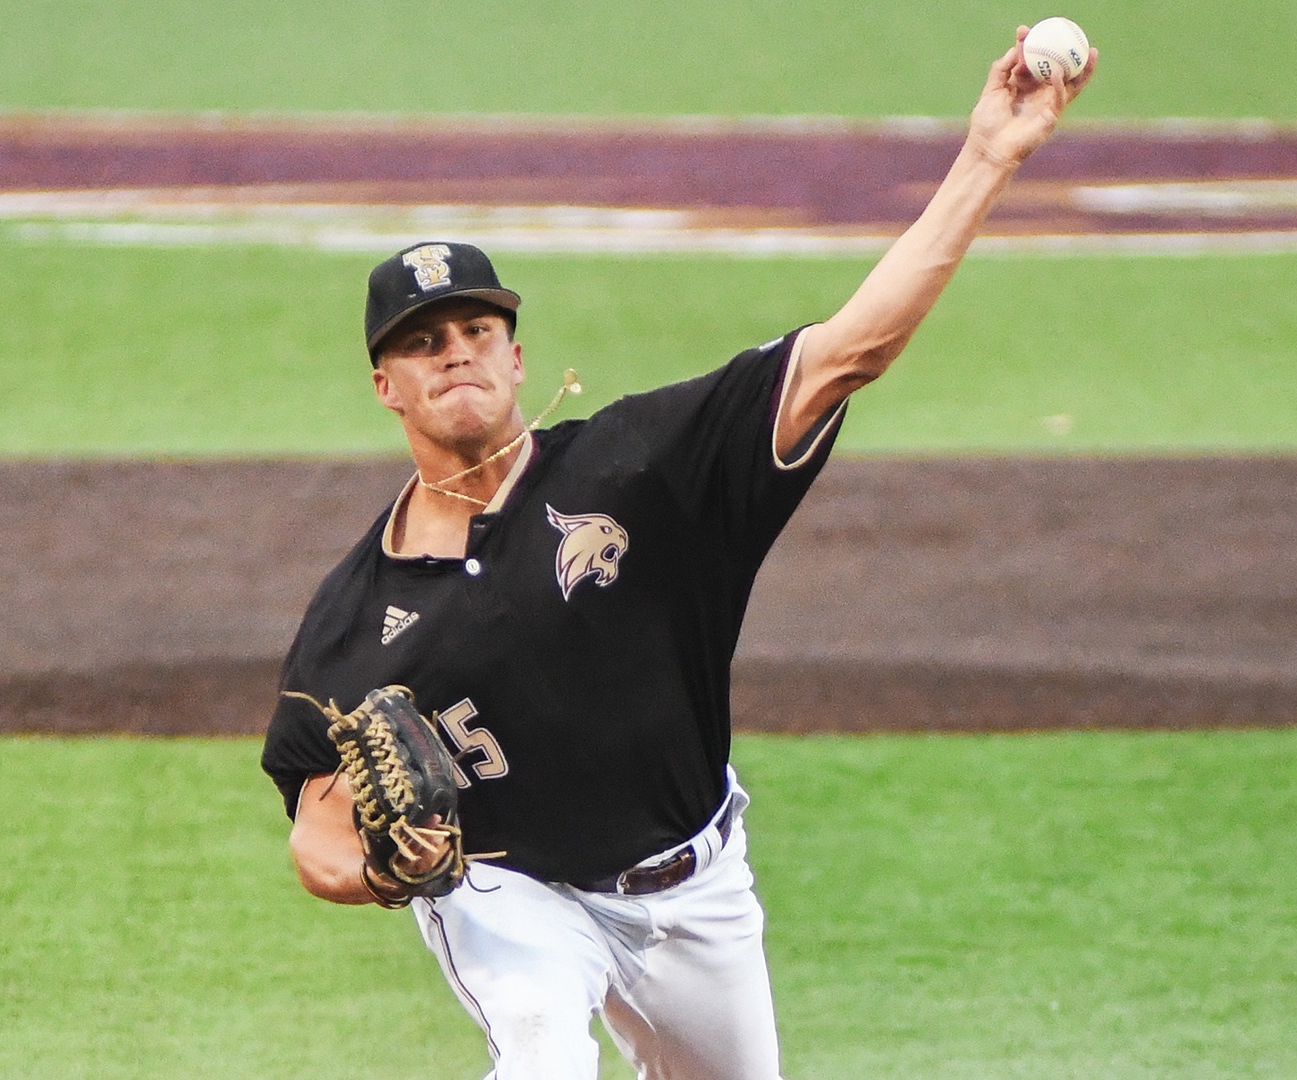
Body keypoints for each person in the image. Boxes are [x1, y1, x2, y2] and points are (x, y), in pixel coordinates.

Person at [261, 26, 1096, 1080]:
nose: (455, 352)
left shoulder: (640, 469)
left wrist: (988, 156)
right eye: (423, 342)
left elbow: (849, 350)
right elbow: (319, 831)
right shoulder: (355, 613)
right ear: (386, 386)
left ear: (518, 360)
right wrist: (386, 874)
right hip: (512, 893)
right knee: (543, 1058)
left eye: (476, 330)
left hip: (695, 886)